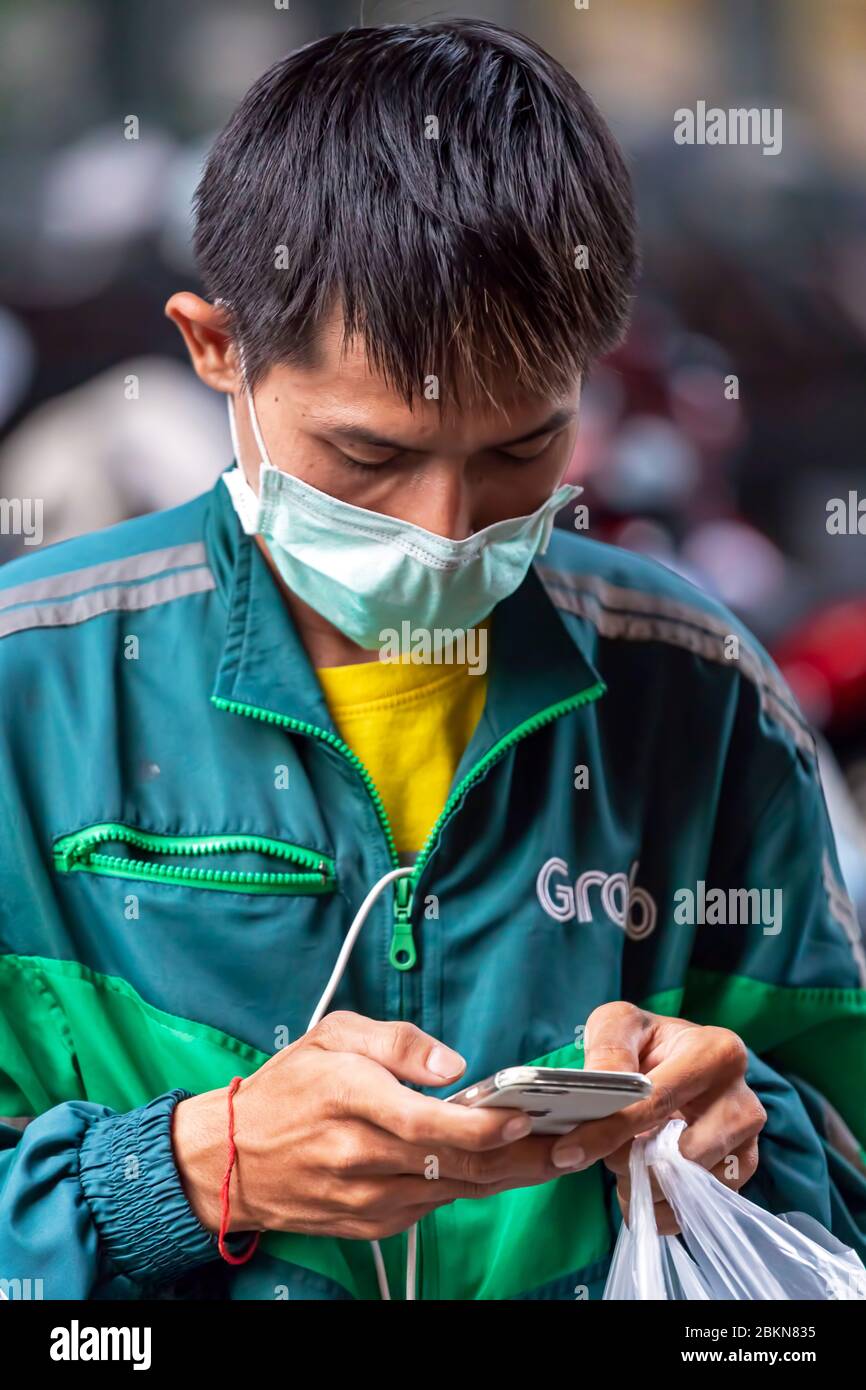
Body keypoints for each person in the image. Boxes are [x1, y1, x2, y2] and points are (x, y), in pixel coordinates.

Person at [0, 19, 863, 1303]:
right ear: (214, 348)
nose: (446, 533)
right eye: (367, 459)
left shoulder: (696, 693)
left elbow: (838, 1186)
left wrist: (744, 1142)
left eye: (520, 451)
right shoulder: (30, 692)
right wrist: (182, 1172)